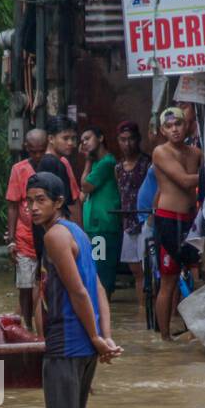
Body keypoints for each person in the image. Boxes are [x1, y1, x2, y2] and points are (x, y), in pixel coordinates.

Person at [26, 172, 122, 408]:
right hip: (83, 343)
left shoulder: (55, 236)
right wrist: (103, 337)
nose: (32, 207)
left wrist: (96, 337)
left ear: (58, 202)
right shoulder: (76, 231)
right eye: (28, 201)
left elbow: (81, 291)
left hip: (67, 341)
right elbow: (99, 289)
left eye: (40, 200)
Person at [151, 108, 202, 342]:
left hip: (192, 220)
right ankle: (165, 339)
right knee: (168, 280)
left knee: (201, 274)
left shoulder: (196, 152)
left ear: (187, 126)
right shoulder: (160, 152)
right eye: (169, 126)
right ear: (163, 130)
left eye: (178, 124)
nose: (174, 129)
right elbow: (183, 181)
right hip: (169, 220)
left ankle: (200, 330)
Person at [5, 129, 49, 329]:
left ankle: (42, 328)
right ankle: (27, 326)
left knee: (44, 284)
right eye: (34, 152)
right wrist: (11, 239)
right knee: (24, 285)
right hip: (25, 238)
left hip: (49, 236)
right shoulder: (19, 170)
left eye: (41, 151)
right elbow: (12, 204)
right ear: (26, 148)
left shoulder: (56, 165)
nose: (38, 156)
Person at [79, 126, 122, 297]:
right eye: (82, 141)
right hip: (95, 226)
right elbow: (82, 195)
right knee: (96, 266)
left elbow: (86, 186)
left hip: (102, 226)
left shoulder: (107, 162)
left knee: (102, 268)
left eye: (87, 138)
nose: (84, 143)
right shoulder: (99, 163)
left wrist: (87, 162)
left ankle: (104, 305)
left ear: (101, 138)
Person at [114, 121, 152, 305]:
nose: (127, 144)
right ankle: (141, 311)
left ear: (138, 140)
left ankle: (149, 314)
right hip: (128, 224)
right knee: (136, 271)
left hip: (146, 221)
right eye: (123, 140)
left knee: (150, 270)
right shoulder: (118, 168)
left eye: (130, 139)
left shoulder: (148, 163)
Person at [45, 115, 83, 229]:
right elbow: (63, 204)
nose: (71, 143)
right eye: (65, 138)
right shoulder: (53, 164)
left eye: (73, 138)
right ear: (51, 139)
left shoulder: (55, 162)